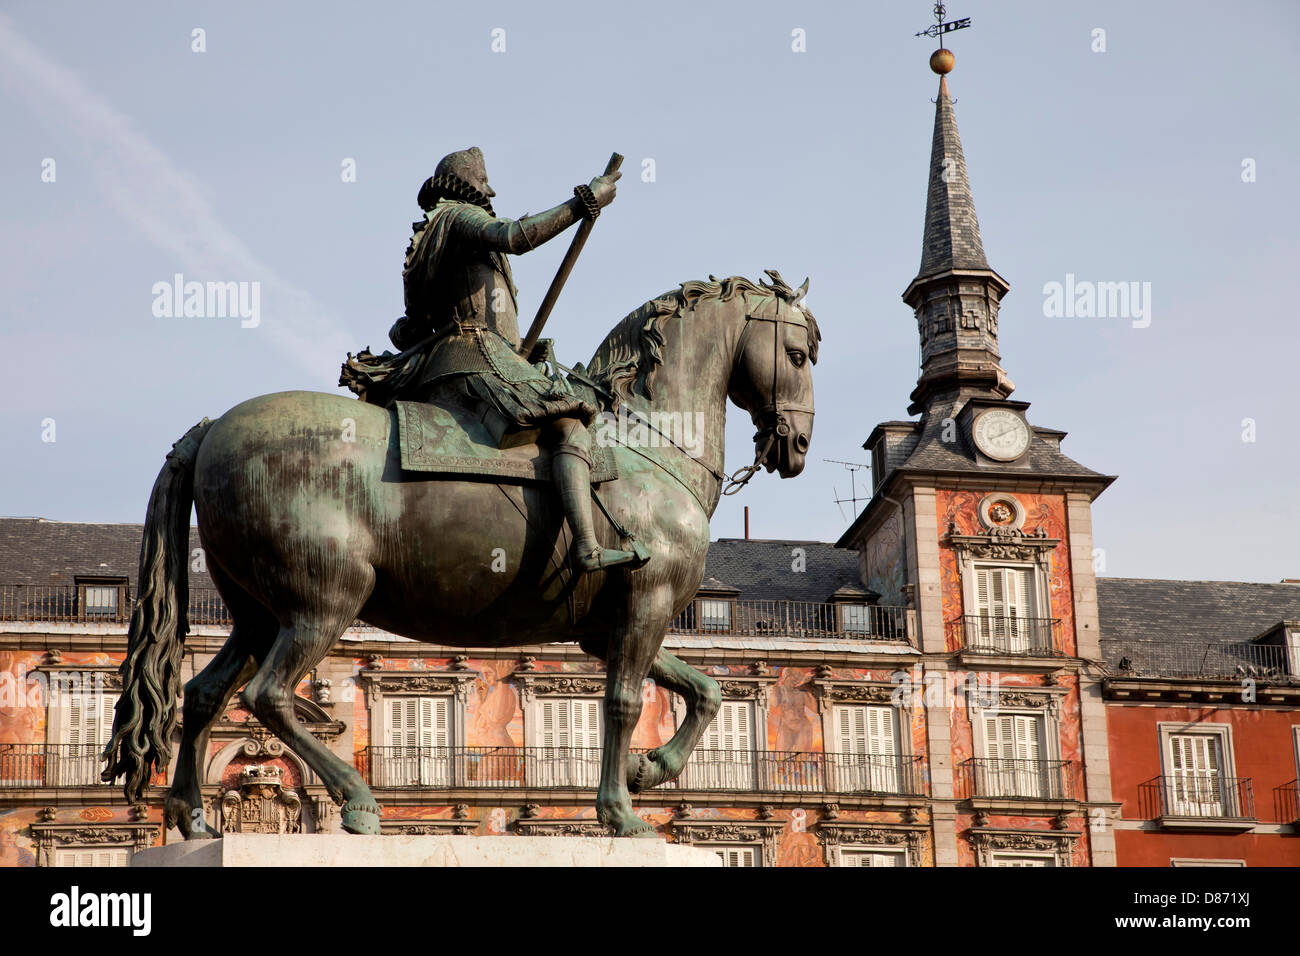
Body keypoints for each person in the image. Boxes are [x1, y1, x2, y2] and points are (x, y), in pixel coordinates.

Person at [379, 147, 645, 573]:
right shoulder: (458, 217)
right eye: (486, 185)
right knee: (570, 425)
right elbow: (515, 237)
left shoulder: (437, 233)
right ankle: (587, 547)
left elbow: (414, 323)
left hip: (470, 356)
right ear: (469, 187)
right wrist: (583, 202)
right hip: (472, 357)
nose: (491, 193)